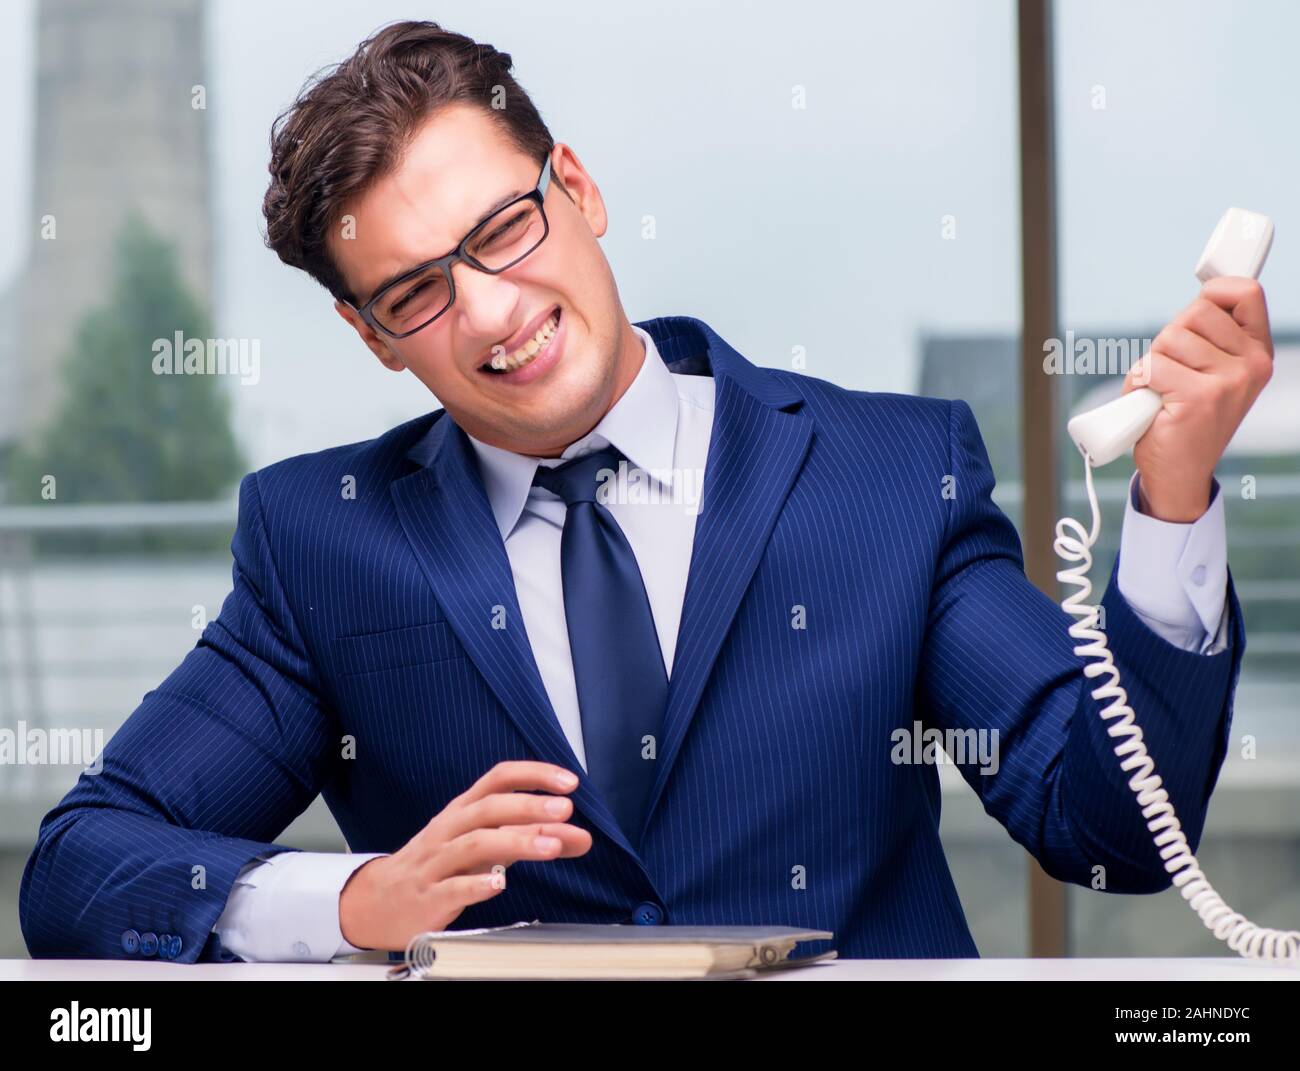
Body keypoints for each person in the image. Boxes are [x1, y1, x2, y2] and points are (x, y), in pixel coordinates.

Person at [20, 20, 1271, 963]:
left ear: (577, 186)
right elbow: (81, 870)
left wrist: (1168, 504)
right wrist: (351, 904)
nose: (492, 313)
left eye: (504, 229)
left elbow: (1109, 837)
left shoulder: (892, 477)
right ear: (373, 336)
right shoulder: (320, 542)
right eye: (415, 293)